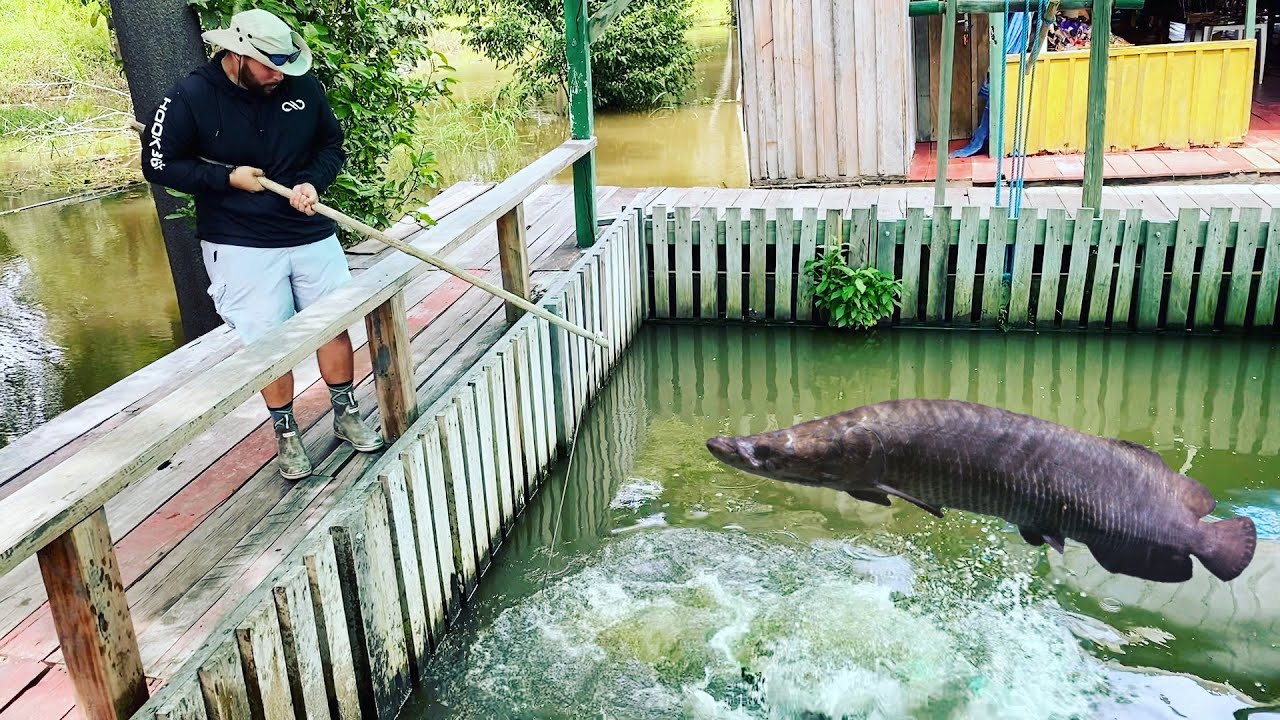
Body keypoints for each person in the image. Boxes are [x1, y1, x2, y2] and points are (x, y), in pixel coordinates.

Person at [141, 8, 384, 480]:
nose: (278, 75)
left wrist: (313, 183)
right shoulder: (191, 95)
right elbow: (158, 163)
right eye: (269, 66)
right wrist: (225, 177)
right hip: (240, 242)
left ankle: (345, 412)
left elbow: (331, 146)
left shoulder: (301, 86)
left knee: (333, 326)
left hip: (308, 233)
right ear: (237, 54)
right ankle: (287, 433)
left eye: (284, 66)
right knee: (268, 342)